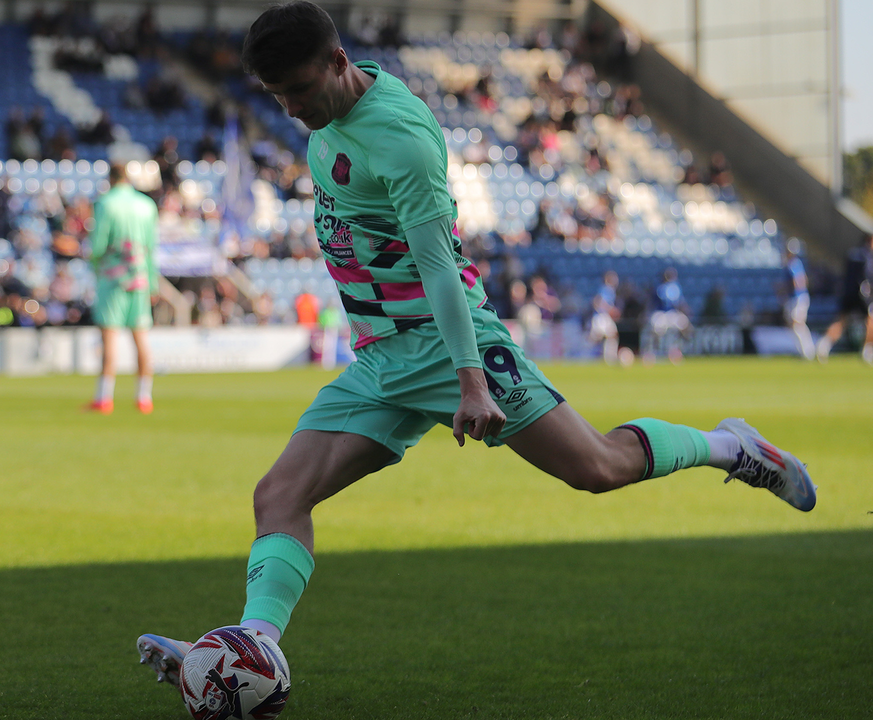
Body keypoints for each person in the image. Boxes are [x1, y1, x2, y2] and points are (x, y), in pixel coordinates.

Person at [134, 2, 818, 707]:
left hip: (447, 344)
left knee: (598, 468)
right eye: (278, 96)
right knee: (278, 496)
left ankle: (732, 448)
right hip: (381, 359)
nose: (291, 108)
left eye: (299, 91)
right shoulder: (329, 111)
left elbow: (438, 266)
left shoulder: (400, 137)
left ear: (338, 63)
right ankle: (246, 653)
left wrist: (470, 382)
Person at [85, 162, 159, 414]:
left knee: (109, 338)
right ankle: (143, 397)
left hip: (112, 277)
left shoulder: (105, 204)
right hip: (139, 277)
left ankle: (104, 397)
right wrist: (153, 280)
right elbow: (152, 247)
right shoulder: (147, 205)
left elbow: (98, 244)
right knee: (141, 338)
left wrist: (94, 266)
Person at [815, 233, 873, 363]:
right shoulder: (867, 256)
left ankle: (824, 345)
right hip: (862, 294)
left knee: (841, 321)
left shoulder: (852, 254)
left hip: (847, 293)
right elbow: (867, 276)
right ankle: (867, 351)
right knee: (870, 320)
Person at [781, 239, 815, 360]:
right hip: (795, 298)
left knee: (797, 325)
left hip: (798, 298)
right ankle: (804, 351)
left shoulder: (793, 264)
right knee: (795, 325)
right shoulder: (792, 264)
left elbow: (799, 281)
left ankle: (808, 351)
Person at [588, 269, 620, 363]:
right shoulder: (606, 289)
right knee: (596, 338)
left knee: (611, 335)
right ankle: (586, 354)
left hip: (603, 316)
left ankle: (609, 357)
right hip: (601, 316)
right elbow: (598, 302)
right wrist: (611, 310)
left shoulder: (608, 290)